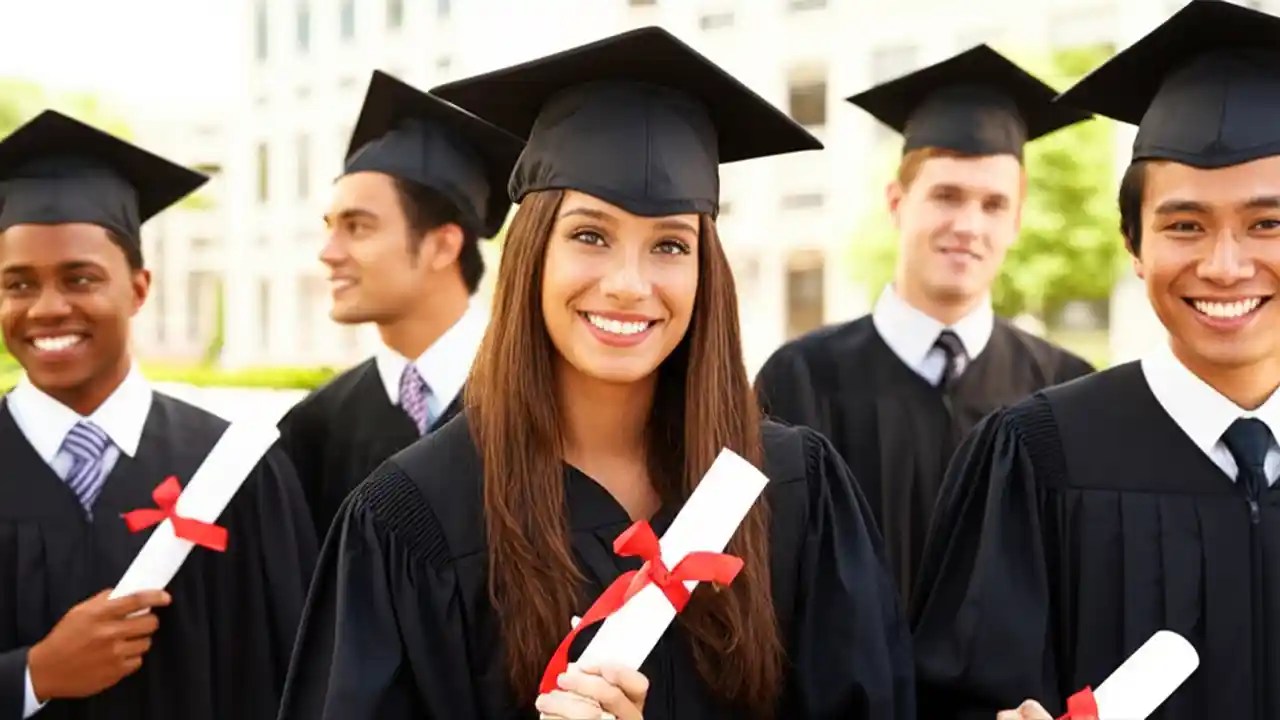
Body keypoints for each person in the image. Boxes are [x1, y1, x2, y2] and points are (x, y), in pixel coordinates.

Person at [278, 27, 914, 720]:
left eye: (671, 244)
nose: (628, 283)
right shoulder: (412, 520)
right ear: (532, 256)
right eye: (590, 235)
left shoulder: (795, 492)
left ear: (708, 274)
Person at [910, 2, 1280, 718]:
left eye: (1268, 223)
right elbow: (948, 695)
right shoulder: (1037, 456)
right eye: (1185, 225)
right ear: (1134, 247)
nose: (1226, 265)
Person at [0, 110, 318, 719]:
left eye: (81, 278)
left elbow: (300, 674)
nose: (47, 308)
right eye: (18, 285)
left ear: (139, 288)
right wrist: (32, 675)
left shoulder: (234, 470)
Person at [754, 44, 1095, 606]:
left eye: (992, 204)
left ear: (1016, 220)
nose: (967, 224)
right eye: (946, 196)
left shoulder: (1067, 388)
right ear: (896, 202)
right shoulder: (800, 379)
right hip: (839, 694)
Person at [277, 70, 523, 537]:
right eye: (330, 226)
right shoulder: (314, 428)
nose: (328, 252)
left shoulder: (537, 398)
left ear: (443, 246)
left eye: (358, 227)